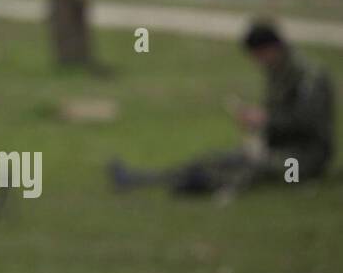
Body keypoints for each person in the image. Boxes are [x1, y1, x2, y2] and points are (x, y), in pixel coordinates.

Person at [111, 21, 334, 195]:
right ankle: (142, 178)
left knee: (252, 167)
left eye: (258, 56)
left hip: (305, 160)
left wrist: (265, 120)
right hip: (279, 149)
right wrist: (259, 120)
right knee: (217, 158)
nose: (258, 63)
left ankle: (201, 184)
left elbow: (307, 124)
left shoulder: (308, 77)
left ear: (271, 49)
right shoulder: (280, 72)